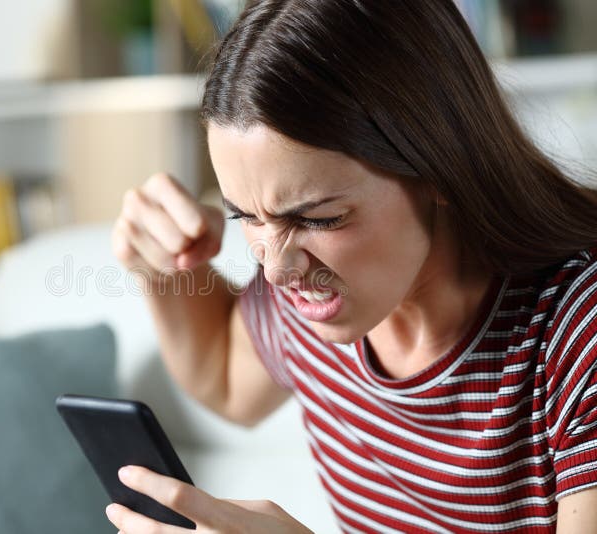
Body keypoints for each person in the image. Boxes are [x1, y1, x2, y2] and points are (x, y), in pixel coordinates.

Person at [107, 0, 597, 532]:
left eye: (320, 218)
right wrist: (162, 265)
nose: (275, 271)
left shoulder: (577, 328)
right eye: (245, 215)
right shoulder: (309, 298)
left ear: (440, 165)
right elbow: (224, 377)